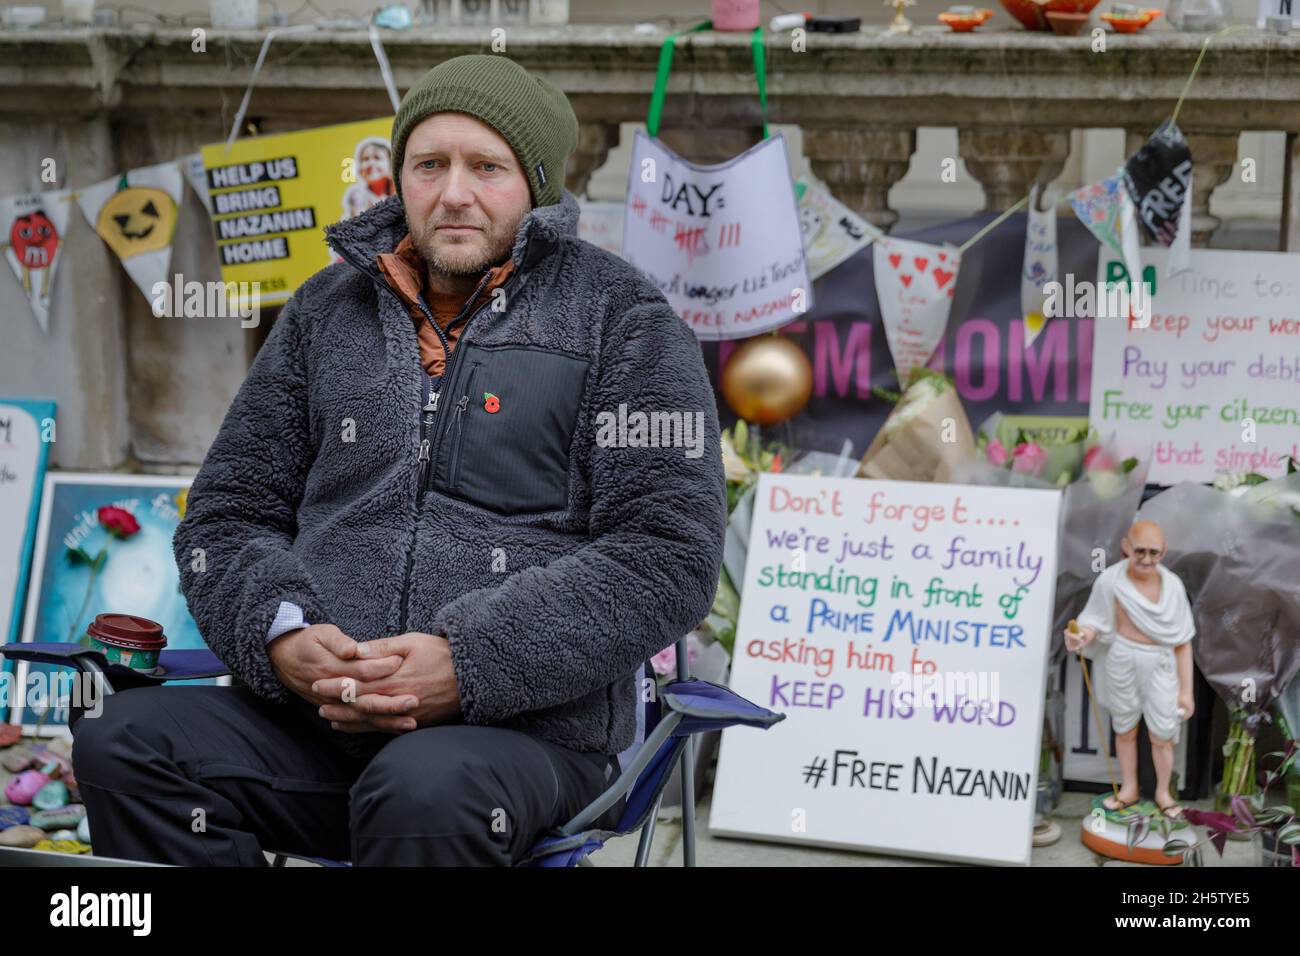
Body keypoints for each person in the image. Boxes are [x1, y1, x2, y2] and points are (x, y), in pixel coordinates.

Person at [72, 54, 726, 866]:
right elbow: (226, 515)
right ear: (400, 177)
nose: (454, 193)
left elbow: (667, 556)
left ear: (538, 184)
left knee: (419, 788)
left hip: (513, 739)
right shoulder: (324, 311)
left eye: (486, 167)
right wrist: (282, 635)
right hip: (311, 725)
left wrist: (468, 663)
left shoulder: (623, 321)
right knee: (121, 739)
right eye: (430, 165)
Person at [1065, 519, 1195, 819]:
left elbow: (1183, 642)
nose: (1147, 560)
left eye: (1154, 553)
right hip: (1121, 658)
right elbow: (1095, 622)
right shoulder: (1110, 581)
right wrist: (1081, 635)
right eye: (1140, 552)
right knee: (1124, 728)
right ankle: (1129, 787)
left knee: (1163, 733)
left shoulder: (1173, 586)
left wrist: (1186, 692)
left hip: (1160, 663)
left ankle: (1163, 792)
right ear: (1126, 547)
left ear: (1163, 551)